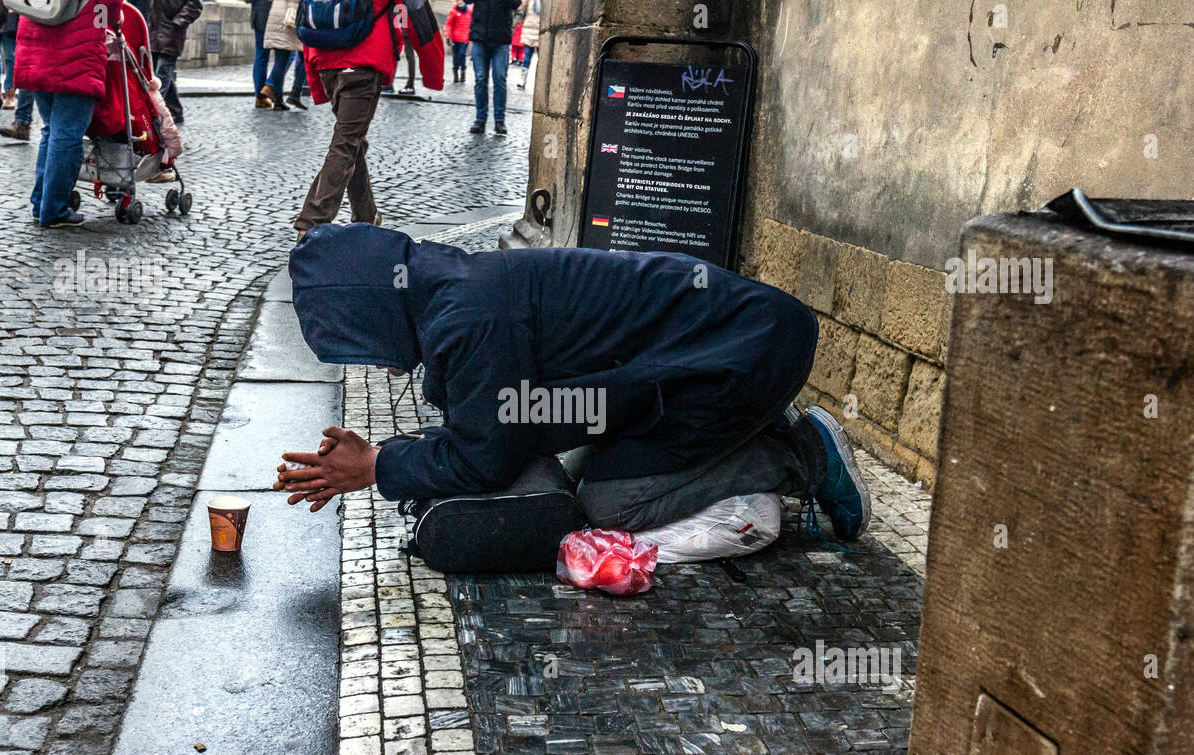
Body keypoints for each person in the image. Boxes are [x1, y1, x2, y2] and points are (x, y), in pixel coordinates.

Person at [275, 224, 871, 543]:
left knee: (609, 503)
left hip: (741, 357)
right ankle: (757, 426)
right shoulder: (450, 289)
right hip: (723, 344)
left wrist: (378, 464)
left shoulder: (470, 320)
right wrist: (388, 458)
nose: (375, 366)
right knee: (589, 462)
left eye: (362, 348)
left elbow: (487, 456)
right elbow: (502, 420)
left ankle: (805, 458)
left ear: (371, 316)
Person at [294, 0, 443, 238]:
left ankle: (366, 215)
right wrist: (433, 71)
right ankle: (311, 223)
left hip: (326, 62)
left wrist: (315, 78)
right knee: (346, 144)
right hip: (364, 64)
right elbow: (415, 12)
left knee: (352, 140)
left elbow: (308, 13)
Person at [15, 0, 126, 227]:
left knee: (51, 130)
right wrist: (110, 19)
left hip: (36, 37)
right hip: (75, 44)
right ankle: (53, 211)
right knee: (66, 134)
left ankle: (41, 203)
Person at [462, 0, 520, 135]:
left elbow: (516, 2)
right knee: (480, 79)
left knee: (500, 79)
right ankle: (480, 120)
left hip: (501, 40)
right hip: (480, 38)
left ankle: (499, 121)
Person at [149, 0, 203, 126]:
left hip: (172, 33)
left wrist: (179, 23)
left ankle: (153, 115)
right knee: (163, 75)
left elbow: (196, 3)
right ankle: (176, 111)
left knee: (161, 76)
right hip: (154, 32)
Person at [259, 0, 304, 110]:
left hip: (276, 17)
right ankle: (295, 93)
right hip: (293, 17)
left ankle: (278, 101)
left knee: (280, 60)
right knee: (304, 56)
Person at [243, 0, 276, 108]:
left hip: (259, 17)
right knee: (288, 55)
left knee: (261, 55)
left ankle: (260, 97)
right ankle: (270, 85)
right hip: (275, 16)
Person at [515, 0, 540, 89]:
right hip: (529, 30)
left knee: (542, 60)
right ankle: (522, 79)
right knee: (527, 57)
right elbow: (521, 7)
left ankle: (540, 82)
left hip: (540, 32)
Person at [443, 0, 471, 84]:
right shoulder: (453, 12)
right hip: (455, 38)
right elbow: (449, 24)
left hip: (465, 39)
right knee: (455, 57)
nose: (460, 1)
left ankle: (463, 71)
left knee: (462, 55)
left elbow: (472, 24)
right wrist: (447, 36)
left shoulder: (469, 12)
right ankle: (455, 73)